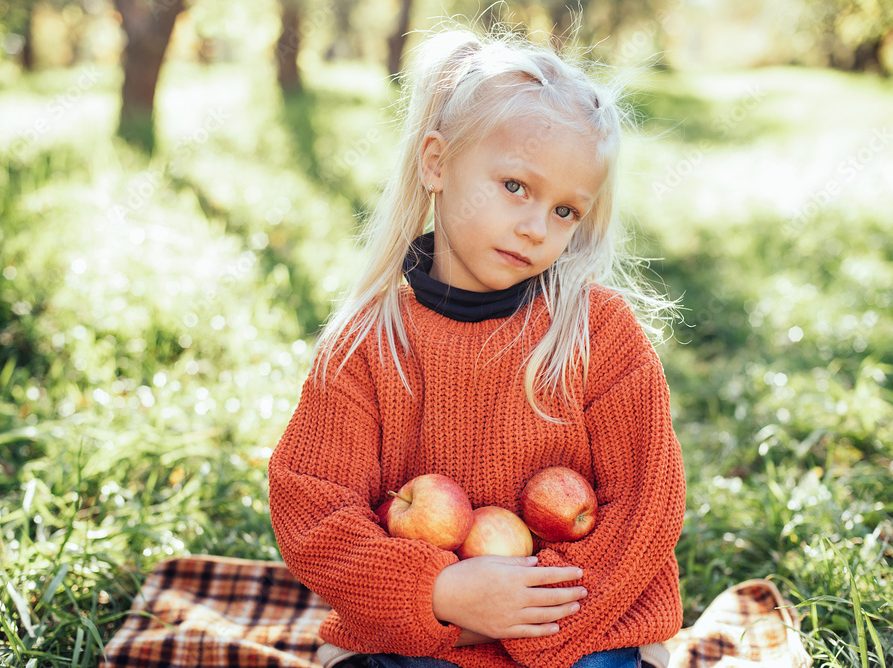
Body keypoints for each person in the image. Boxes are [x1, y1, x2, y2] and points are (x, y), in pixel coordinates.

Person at [268, 20, 686, 668]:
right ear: (436, 163)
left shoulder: (599, 334)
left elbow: (647, 505)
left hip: (575, 625)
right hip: (426, 631)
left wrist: (523, 617)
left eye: (564, 211)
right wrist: (439, 596)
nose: (535, 227)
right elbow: (313, 509)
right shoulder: (367, 346)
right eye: (516, 186)